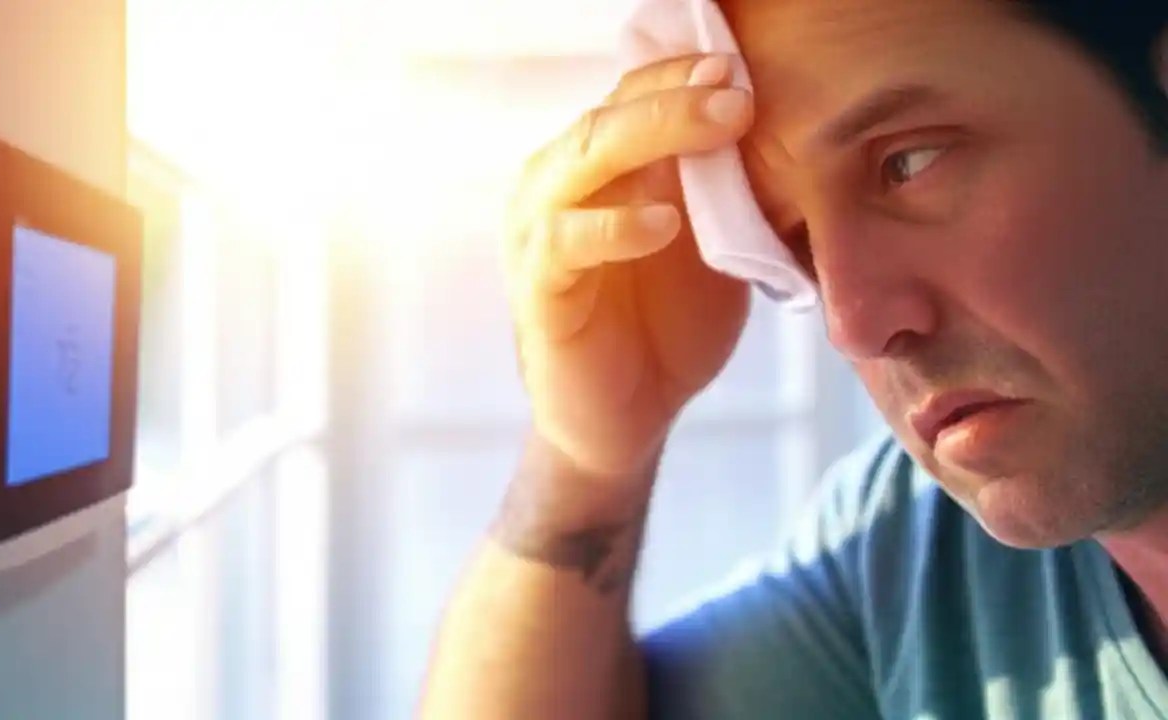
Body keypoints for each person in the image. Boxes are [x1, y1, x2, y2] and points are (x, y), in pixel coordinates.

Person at [420, 0, 1168, 716]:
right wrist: (587, 464)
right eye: (795, 241)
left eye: (908, 162)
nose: (851, 324)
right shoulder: (917, 556)